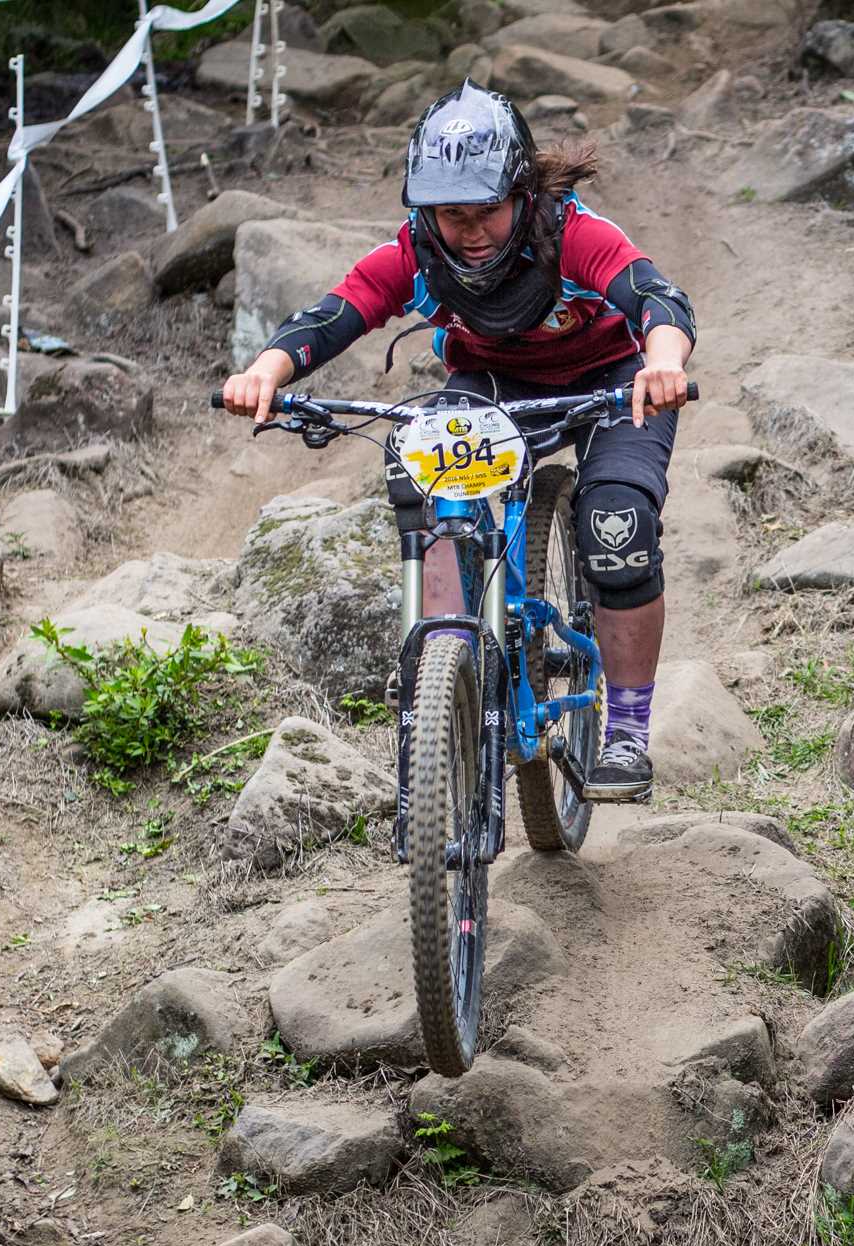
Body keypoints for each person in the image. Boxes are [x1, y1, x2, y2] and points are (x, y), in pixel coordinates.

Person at [219, 81, 695, 803]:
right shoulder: (416, 253)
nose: (470, 232)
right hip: (495, 381)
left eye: (486, 214)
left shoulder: (572, 234)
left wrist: (663, 363)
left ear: (522, 194)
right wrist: (265, 372)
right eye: (451, 216)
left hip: (614, 379)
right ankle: (446, 656)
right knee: (423, 476)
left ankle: (625, 729)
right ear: (424, 212)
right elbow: (334, 314)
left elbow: (658, 297)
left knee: (617, 525)